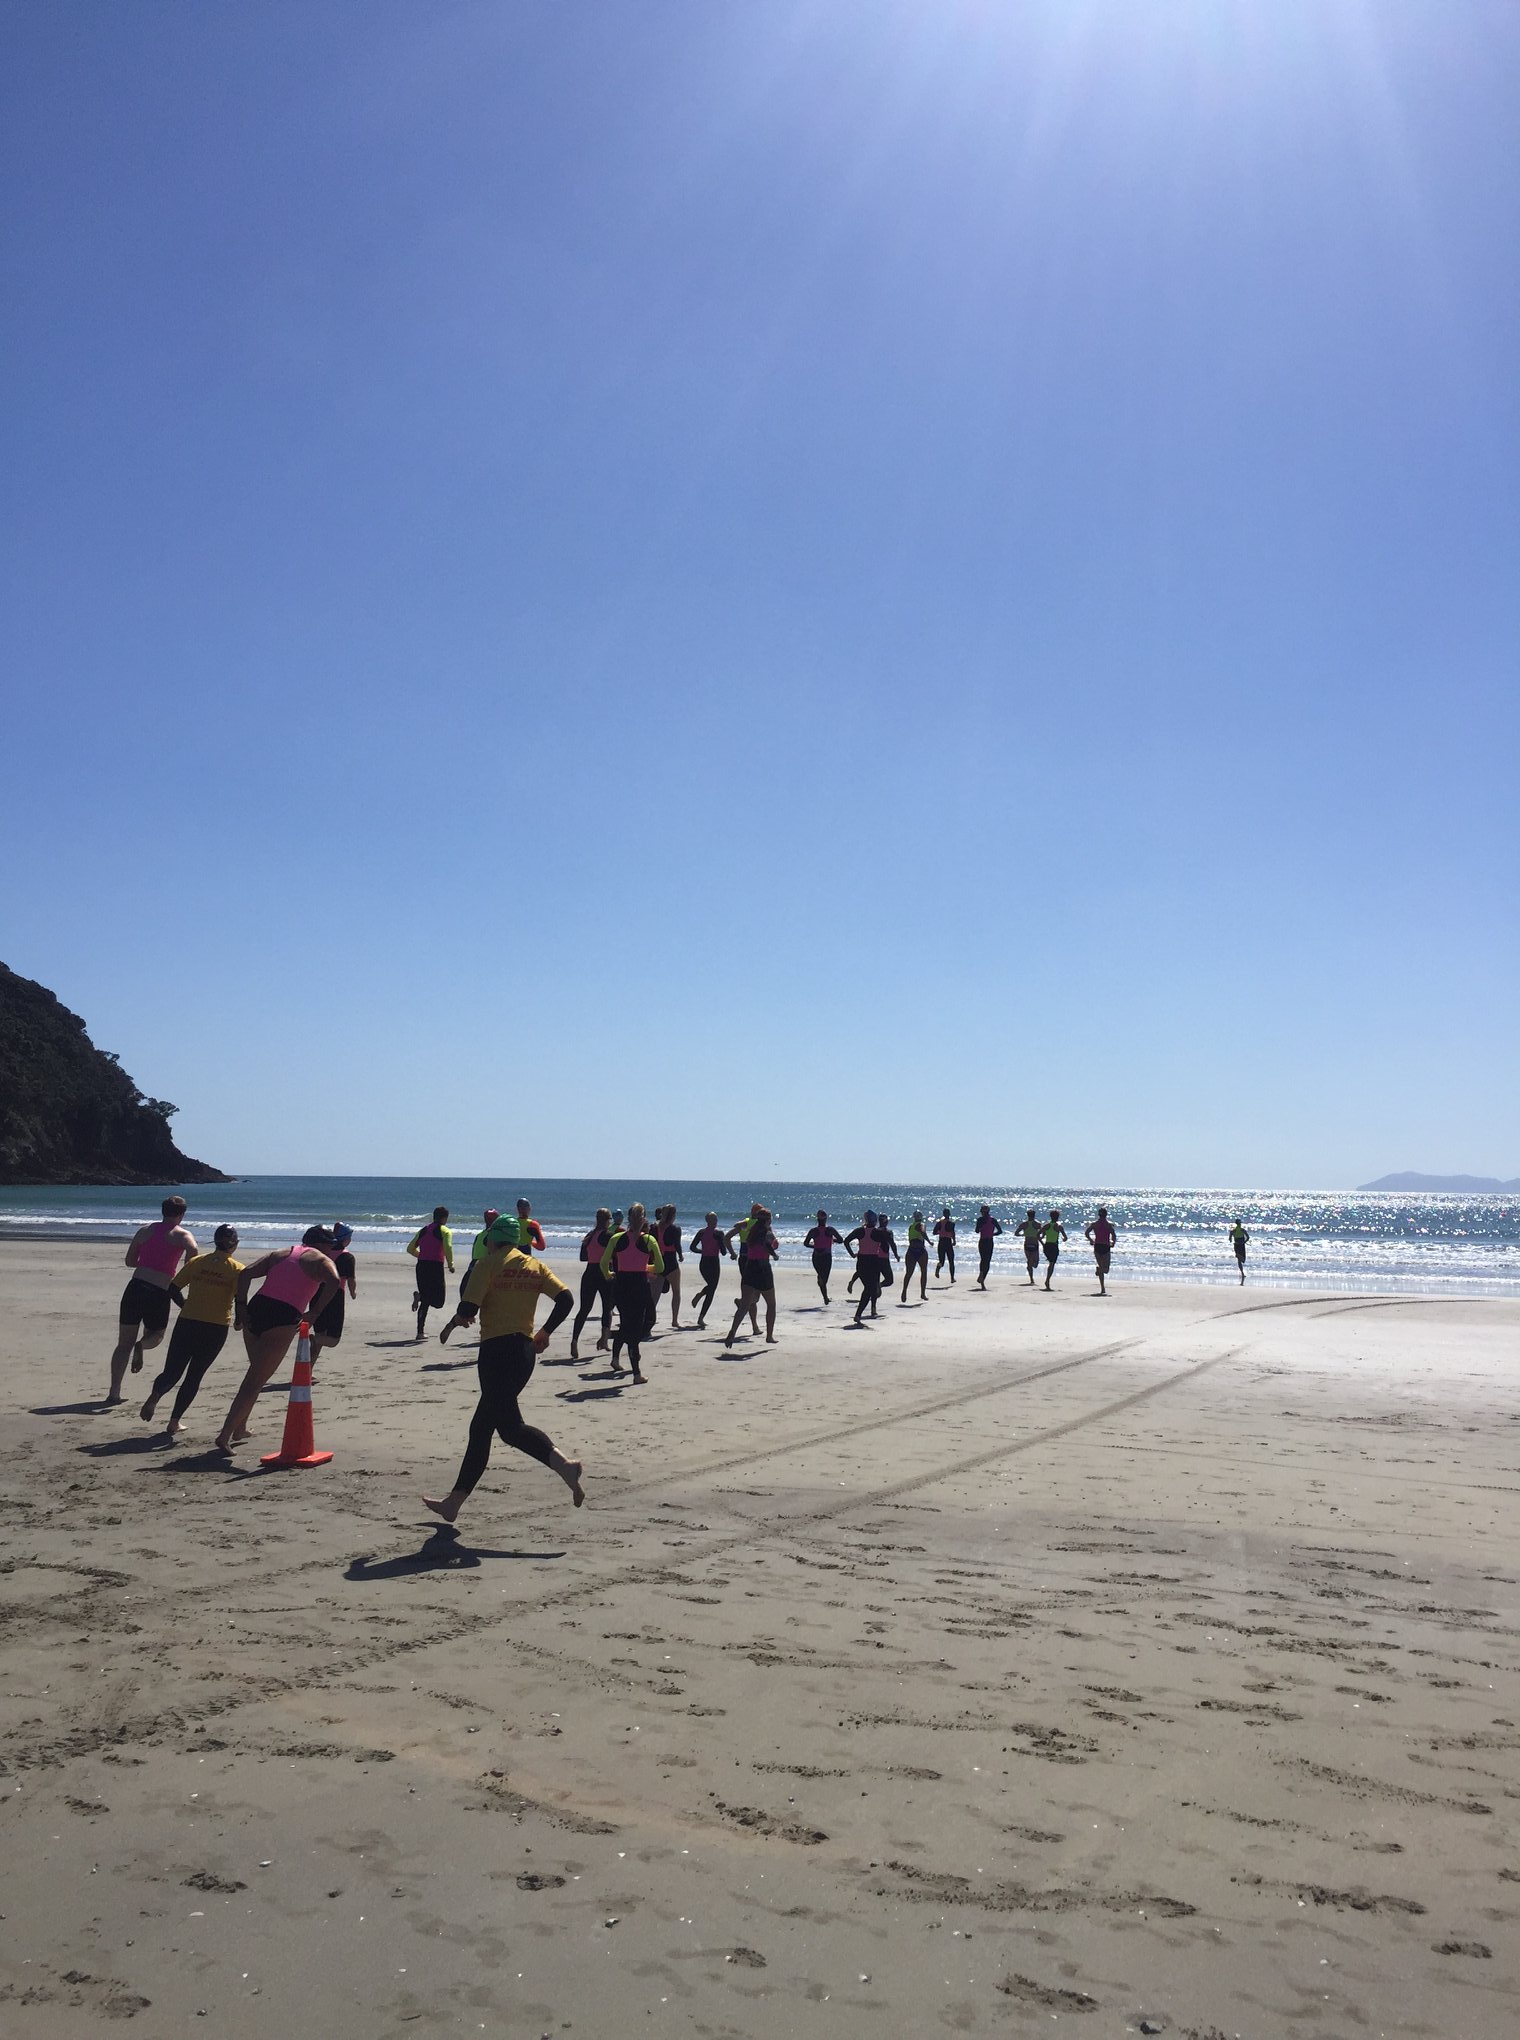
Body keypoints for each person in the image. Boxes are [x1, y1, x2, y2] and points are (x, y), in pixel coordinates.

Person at [422, 1219, 584, 1522]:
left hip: (496, 1353)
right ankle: (453, 1503)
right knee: (494, 1428)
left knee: (502, 1428)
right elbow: (566, 1299)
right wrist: (546, 1332)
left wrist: (460, 1318)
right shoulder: (535, 1266)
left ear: (492, 1241)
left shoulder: (486, 1265)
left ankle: (564, 1465)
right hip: (523, 1353)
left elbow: (469, 1308)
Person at [213, 1233, 341, 1453]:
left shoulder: (282, 1253)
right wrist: (316, 1312)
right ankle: (224, 1435)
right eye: (331, 1245)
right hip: (283, 1316)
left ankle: (240, 1427)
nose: (332, 1250)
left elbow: (245, 1273)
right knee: (254, 1380)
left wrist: (241, 1306)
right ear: (322, 1244)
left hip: (256, 1308)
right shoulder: (321, 1260)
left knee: (257, 1374)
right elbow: (335, 1281)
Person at [138, 1224, 243, 1438]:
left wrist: (185, 1305)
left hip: (187, 1322)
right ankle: (174, 1422)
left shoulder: (197, 1262)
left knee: (172, 1370)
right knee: (194, 1375)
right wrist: (240, 1321)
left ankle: (155, 1396)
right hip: (215, 1327)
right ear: (235, 1245)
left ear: (215, 1241)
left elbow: (172, 1288)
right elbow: (240, 1300)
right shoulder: (237, 1269)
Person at [106, 1196, 198, 1404]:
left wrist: (147, 1261)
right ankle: (142, 1346)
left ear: (163, 1211)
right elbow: (193, 1253)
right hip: (158, 1290)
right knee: (156, 1335)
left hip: (135, 1287)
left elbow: (130, 1261)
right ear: (182, 1214)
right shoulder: (182, 1234)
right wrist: (182, 1269)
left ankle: (114, 1392)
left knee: (123, 1344)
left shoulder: (145, 1230)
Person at [599, 1204, 664, 1383]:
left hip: (621, 1284)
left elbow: (603, 1263)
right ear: (643, 1219)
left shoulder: (617, 1238)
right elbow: (660, 1267)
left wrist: (610, 1275)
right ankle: (636, 1374)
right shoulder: (649, 1240)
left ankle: (615, 1342)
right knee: (644, 1323)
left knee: (628, 1325)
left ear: (628, 1218)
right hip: (639, 1285)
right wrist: (644, 1267)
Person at [438, 1210, 503, 1345]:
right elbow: (493, 1256)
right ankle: (486, 1337)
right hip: (482, 1273)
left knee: (467, 1312)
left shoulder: (479, 1236)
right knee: (490, 1308)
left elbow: (474, 1254)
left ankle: (454, 1322)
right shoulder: (494, 1238)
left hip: (470, 1272)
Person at [724, 1205, 779, 1347]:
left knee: (745, 1305)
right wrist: (774, 1254)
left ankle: (732, 1332)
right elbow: (769, 1244)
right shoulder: (767, 1232)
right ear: (768, 1220)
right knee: (771, 1304)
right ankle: (769, 1336)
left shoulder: (751, 1231)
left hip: (749, 1267)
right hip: (762, 1268)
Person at [569, 1209, 614, 1360]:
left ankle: (574, 1340)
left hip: (589, 1273)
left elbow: (583, 1257)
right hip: (604, 1272)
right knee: (607, 1307)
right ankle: (604, 1339)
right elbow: (614, 1255)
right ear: (608, 1220)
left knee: (584, 1309)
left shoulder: (590, 1235)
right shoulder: (608, 1236)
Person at [309, 1222, 356, 1366]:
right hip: (335, 1296)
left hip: (316, 1294)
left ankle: (307, 1369)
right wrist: (353, 1292)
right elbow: (351, 1279)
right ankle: (314, 1339)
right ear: (345, 1239)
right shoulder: (347, 1257)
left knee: (321, 1334)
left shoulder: (322, 1254)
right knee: (333, 1340)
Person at [407, 1207, 454, 1341]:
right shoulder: (445, 1231)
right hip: (435, 1267)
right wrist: (451, 1265)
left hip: (421, 1266)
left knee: (426, 1300)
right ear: (445, 1218)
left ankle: (420, 1333)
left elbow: (410, 1249)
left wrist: (421, 1256)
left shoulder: (423, 1230)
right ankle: (421, 1297)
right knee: (439, 1302)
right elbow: (448, 1247)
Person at [688, 1211, 730, 1328]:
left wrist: (720, 1241)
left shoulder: (716, 1233)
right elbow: (692, 1247)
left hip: (710, 1262)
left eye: (716, 1219)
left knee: (711, 1288)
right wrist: (704, 1251)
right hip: (708, 1262)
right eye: (713, 1220)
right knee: (711, 1288)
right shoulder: (704, 1232)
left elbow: (723, 1252)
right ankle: (701, 1314)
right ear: (708, 1221)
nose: (715, 1222)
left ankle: (701, 1309)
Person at [845, 1211, 886, 1323]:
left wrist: (852, 1254)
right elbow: (886, 1247)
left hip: (862, 1261)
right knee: (870, 1289)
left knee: (869, 1289)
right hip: (873, 1262)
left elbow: (846, 1241)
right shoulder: (878, 1233)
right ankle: (858, 1314)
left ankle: (859, 1314)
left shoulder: (859, 1231)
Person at [803, 1209, 844, 1303]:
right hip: (826, 1256)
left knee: (821, 1276)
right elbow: (841, 1240)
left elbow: (805, 1243)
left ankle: (825, 1297)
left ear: (817, 1219)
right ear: (826, 1219)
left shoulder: (813, 1231)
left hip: (816, 1256)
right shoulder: (830, 1230)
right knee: (824, 1278)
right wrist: (832, 1240)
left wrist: (814, 1246)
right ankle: (825, 1297)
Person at [1084, 1207, 1117, 1296]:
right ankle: (1102, 1287)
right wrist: (1113, 1242)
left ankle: (1102, 1286)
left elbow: (1087, 1233)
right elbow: (1114, 1235)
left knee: (1103, 1269)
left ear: (1099, 1214)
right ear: (1106, 1215)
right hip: (1105, 1246)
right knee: (1105, 1269)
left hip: (1098, 1246)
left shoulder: (1095, 1224)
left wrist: (1091, 1240)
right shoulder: (1108, 1225)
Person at [901, 1211, 930, 1301]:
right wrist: (929, 1241)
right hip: (920, 1250)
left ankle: (905, 1291)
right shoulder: (922, 1224)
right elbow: (923, 1233)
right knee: (923, 1272)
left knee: (909, 1273)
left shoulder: (911, 1226)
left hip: (911, 1250)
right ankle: (922, 1293)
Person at [974, 1205, 1003, 1289]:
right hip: (989, 1241)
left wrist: (981, 1227)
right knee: (987, 1261)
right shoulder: (993, 1220)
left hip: (982, 1241)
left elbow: (976, 1231)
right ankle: (982, 1278)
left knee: (983, 1259)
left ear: (982, 1212)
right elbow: (1000, 1231)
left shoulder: (980, 1220)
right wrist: (992, 1234)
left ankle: (981, 1275)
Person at [1041, 1208, 1068, 1290]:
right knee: (1052, 1264)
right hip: (1054, 1246)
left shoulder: (1046, 1225)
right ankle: (1047, 1280)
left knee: (1051, 1263)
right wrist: (1063, 1239)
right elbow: (1066, 1237)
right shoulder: (1059, 1227)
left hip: (1047, 1246)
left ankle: (1047, 1280)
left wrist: (1043, 1244)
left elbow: (1038, 1235)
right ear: (1058, 1217)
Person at [1014, 1208, 1042, 1286]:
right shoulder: (1037, 1224)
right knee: (1035, 1263)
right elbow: (1043, 1232)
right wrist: (1041, 1237)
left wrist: (1022, 1235)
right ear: (1034, 1215)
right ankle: (1031, 1279)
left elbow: (1016, 1233)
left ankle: (1030, 1271)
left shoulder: (1024, 1224)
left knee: (1032, 1263)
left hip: (1027, 1244)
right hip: (1034, 1244)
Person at [933, 1207, 957, 1283]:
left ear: (943, 1214)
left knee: (942, 1262)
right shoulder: (951, 1223)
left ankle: (938, 1267)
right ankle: (952, 1278)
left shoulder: (939, 1223)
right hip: (948, 1242)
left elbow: (934, 1232)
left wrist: (940, 1232)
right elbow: (952, 1233)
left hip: (941, 1242)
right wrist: (954, 1240)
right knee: (951, 1261)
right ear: (949, 1214)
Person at [1229, 1218, 1250, 1284]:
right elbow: (1248, 1237)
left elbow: (1230, 1239)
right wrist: (1244, 1242)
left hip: (1237, 1245)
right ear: (1240, 1223)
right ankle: (1242, 1273)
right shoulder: (1242, 1230)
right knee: (1241, 1259)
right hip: (1241, 1246)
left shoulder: (1233, 1231)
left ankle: (1242, 1273)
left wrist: (1232, 1239)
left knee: (1239, 1260)